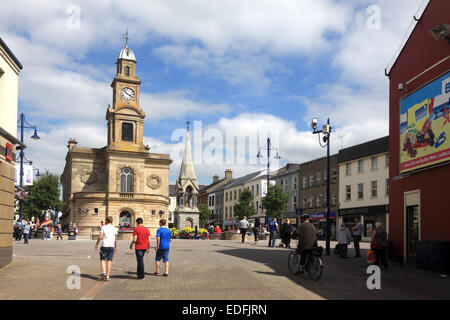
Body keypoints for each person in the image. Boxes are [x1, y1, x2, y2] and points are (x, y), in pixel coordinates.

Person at [95, 216, 118, 281]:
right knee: (109, 260)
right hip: (111, 246)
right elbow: (116, 239)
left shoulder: (103, 227)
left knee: (102, 259)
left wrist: (97, 244)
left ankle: (104, 272)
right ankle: (107, 276)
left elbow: (100, 236)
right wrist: (115, 247)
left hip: (104, 246)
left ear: (106, 221)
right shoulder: (114, 228)